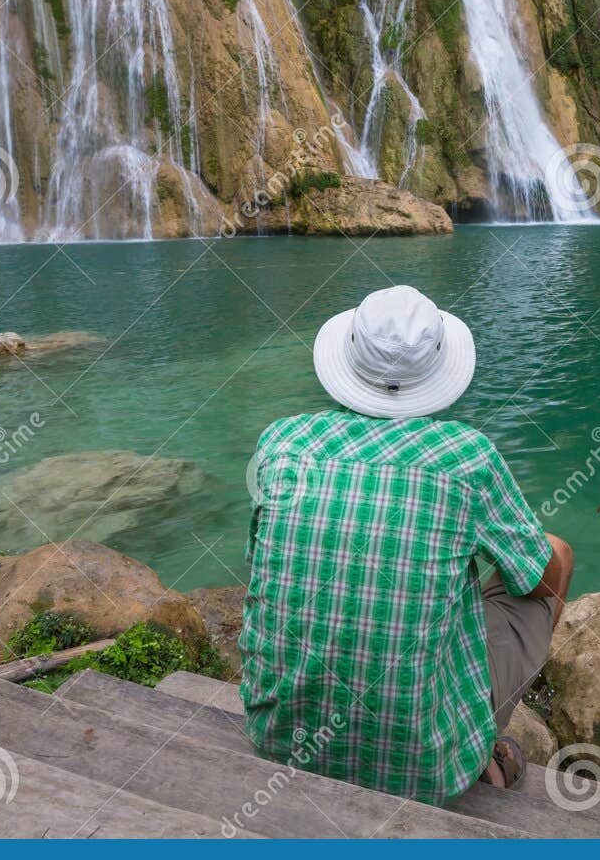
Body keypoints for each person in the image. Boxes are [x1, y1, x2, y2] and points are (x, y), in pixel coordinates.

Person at [239, 284, 573, 805]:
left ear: (346, 358)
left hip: (282, 741)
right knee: (554, 553)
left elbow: (259, 569)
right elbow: (537, 577)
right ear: (439, 373)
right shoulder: (467, 458)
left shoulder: (280, 444)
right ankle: (480, 744)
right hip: (426, 771)